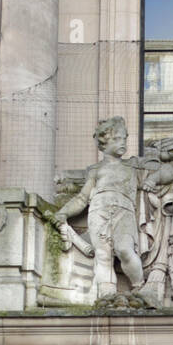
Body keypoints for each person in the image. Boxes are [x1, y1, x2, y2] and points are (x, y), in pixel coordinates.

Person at [56, 117, 146, 295]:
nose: (123, 143)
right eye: (117, 139)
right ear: (104, 142)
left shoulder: (133, 167)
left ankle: (140, 287)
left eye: (124, 139)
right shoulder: (95, 170)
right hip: (99, 212)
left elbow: (166, 172)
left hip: (124, 212)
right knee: (103, 256)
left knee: (125, 250)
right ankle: (107, 297)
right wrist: (63, 212)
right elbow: (82, 198)